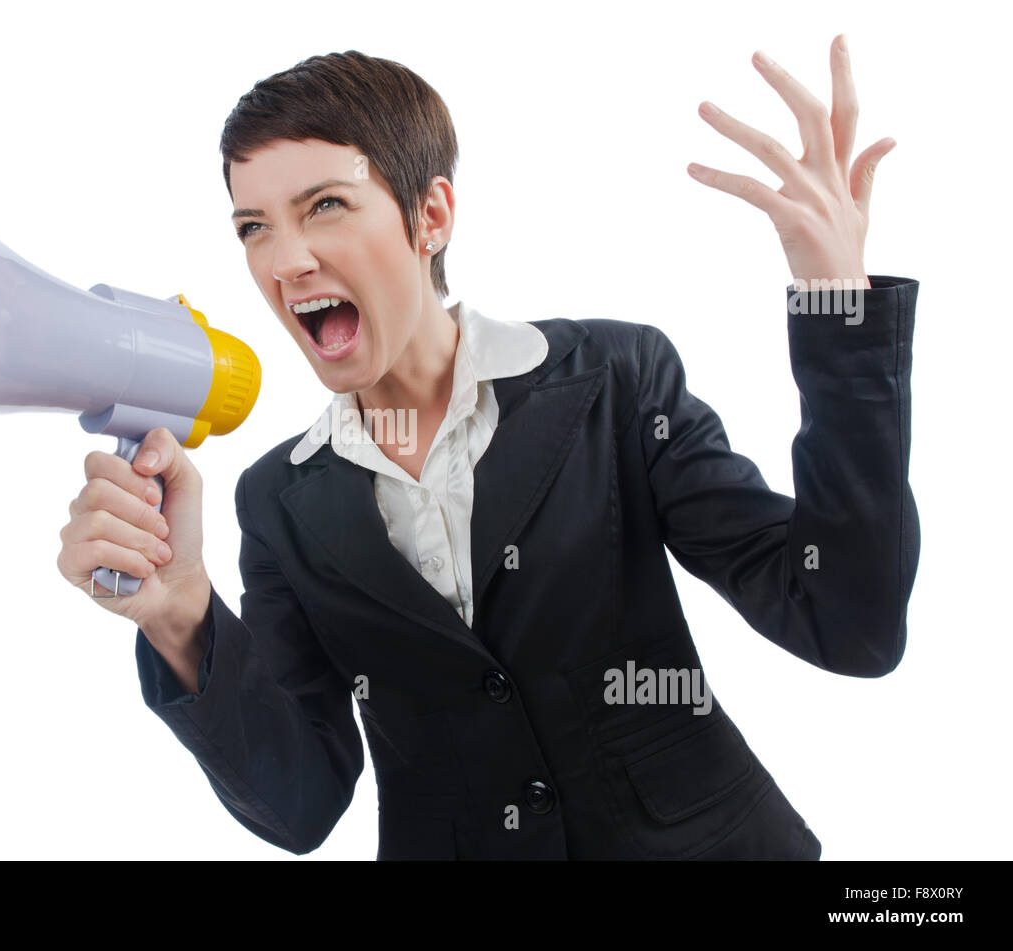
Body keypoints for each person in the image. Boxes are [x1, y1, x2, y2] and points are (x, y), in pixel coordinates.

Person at [55, 41, 920, 859]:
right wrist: (181, 619)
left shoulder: (614, 380)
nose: (286, 260)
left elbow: (848, 620)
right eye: (253, 226)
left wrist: (839, 308)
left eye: (324, 205)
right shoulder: (278, 498)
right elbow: (302, 801)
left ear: (429, 215)